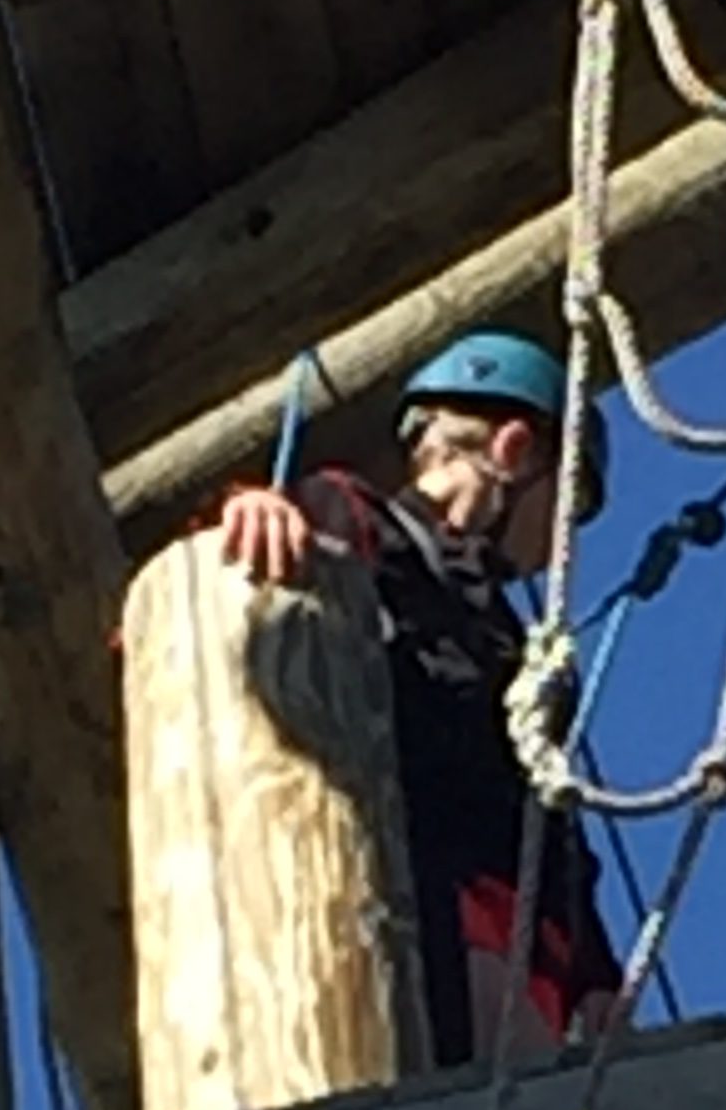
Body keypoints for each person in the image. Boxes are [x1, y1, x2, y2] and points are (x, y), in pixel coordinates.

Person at [218, 331, 623, 1066]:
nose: (558, 547)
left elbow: (547, 819)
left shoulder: (505, 640)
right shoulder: (351, 518)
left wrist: (596, 978)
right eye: (566, 504)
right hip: (407, 887)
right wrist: (256, 517)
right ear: (513, 450)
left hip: (503, 915)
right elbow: (259, 589)